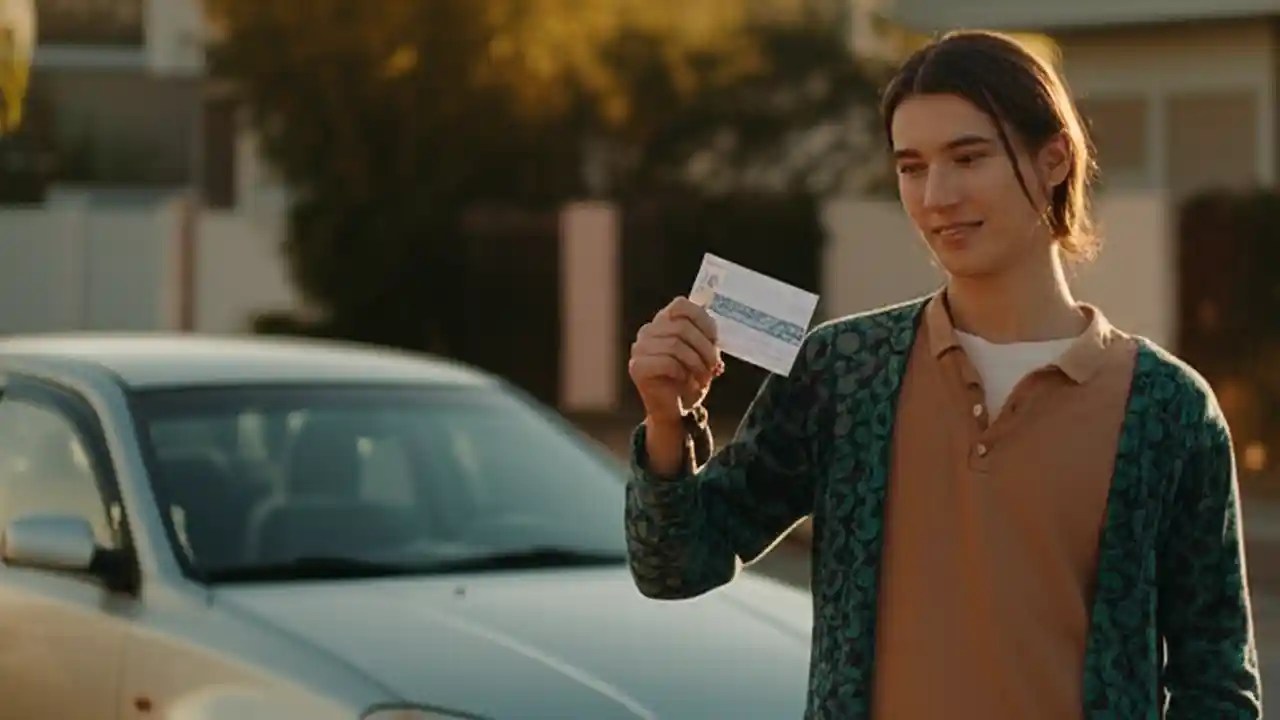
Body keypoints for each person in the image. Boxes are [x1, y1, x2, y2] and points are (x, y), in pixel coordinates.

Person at [624, 29, 1261, 720]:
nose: (937, 195)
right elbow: (675, 566)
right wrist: (667, 419)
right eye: (911, 166)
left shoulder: (1167, 408)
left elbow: (1216, 680)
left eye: (968, 157)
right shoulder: (843, 372)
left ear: (1054, 158)